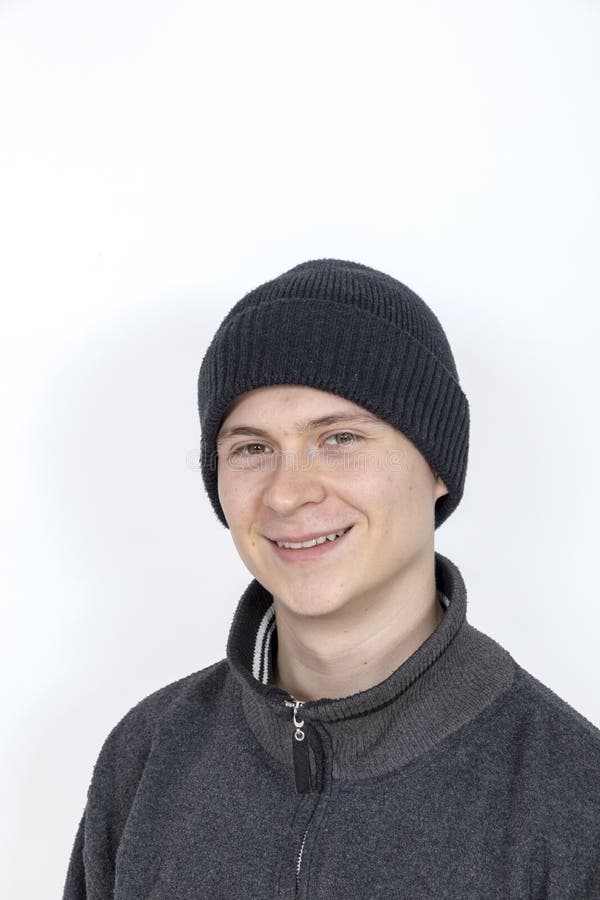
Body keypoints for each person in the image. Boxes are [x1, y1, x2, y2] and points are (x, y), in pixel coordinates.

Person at [63, 258, 600, 899]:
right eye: (251, 448)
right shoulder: (148, 756)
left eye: (339, 438)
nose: (288, 494)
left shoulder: (573, 799)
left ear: (438, 467)